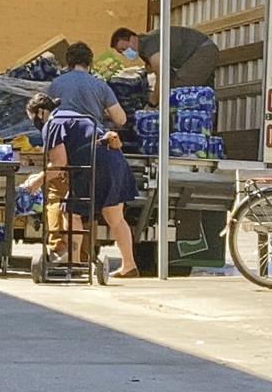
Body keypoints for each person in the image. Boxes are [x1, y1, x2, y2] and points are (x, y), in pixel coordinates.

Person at [30, 90, 136, 277]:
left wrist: (37, 181)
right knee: (115, 217)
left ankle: (74, 263)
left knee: (70, 213)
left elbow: (59, 163)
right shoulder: (74, 115)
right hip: (115, 160)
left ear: (40, 112)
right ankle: (129, 265)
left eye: (32, 118)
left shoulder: (52, 124)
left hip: (95, 165)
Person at [111, 24, 217, 96]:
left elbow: (162, 75)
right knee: (205, 94)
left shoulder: (149, 44)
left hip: (202, 50)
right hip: (199, 52)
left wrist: (153, 101)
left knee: (179, 90)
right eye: (121, 52)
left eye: (124, 49)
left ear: (133, 39)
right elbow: (154, 70)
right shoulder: (143, 47)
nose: (125, 53)